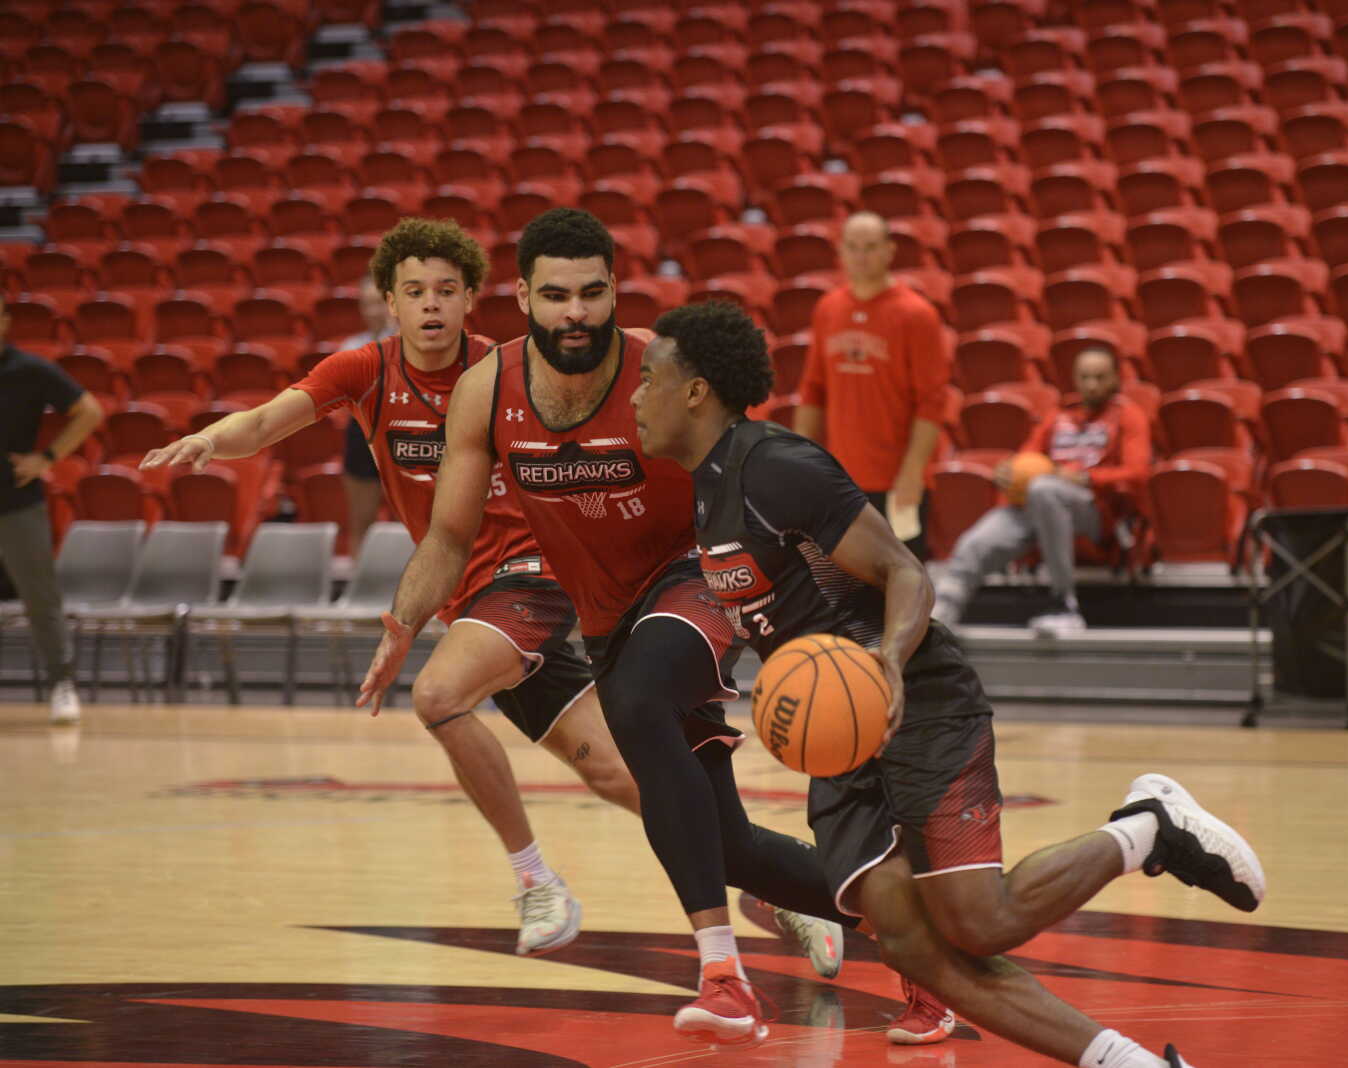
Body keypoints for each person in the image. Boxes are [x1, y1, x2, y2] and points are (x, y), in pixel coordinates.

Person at [630, 299, 1266, 1068]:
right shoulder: (703, 489)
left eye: (649, 377)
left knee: (980, 922)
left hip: (917, 699)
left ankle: (1149, 827)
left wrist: (890, 660)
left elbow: (907, 574)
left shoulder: (777, 468)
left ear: (696, 390)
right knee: (909, 941)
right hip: (841, 738)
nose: (637, 395)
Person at [359, 208, 857, 1047]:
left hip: (700, 576)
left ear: (615, 291)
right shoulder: (487, 389)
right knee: (727, 843)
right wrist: (402, 623)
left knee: (636, 699)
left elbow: (754, 467)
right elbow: (446, 537)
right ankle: (912, 936)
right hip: (605, 615)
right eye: (555, 295)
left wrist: (816, 578)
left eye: (592, 293)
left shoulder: (663, 367)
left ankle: (724, 978)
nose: (576, 312)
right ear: (523, 298)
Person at [140, 219, 636, 957]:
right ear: (389, 302)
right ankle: (770, 882)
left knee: (437, 695)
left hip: (534, 573)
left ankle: (536, 881)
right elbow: (268, 421)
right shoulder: (365, 372)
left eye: (446, 290)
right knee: (614, 773)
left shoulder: (506, 368)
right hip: (467, 599)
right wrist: (214, 437)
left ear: (471, 299)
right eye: (414, 291)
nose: (431, 304)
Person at [933, 346, 1152, 637]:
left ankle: (1064, 605)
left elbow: (1137, 472)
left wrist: (1084, 478)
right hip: (1040, 502)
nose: (1092, 385)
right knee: (978, 541)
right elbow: (1027, 457)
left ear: (1115, 378)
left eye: (1100, 377)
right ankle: (940, 618)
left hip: (1095, 509)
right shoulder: (1058, 416)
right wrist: (1008, 472)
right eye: (1085, 377)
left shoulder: (1128, 415)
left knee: (1045, 489)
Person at [793, 211, 950, 560]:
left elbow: (932, 401)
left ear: (890, 250)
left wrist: (913, 472)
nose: (861, 256)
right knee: (846, 579)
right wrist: (802, 462)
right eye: (853, 247)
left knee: (904, 579)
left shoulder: (916, 314)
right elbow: (813, 390)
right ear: (841, 251)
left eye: (870, 247)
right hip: (841, 479)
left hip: (898, 480)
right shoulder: (828, 308)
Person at [0, 292, 104, 724]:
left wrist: (46, 458)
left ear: (5, 321)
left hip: (16, 501)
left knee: (40, 597)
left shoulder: (29, 370)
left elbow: (89, 412)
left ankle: (62, 684)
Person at [336, 275, 396, 553]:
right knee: (361, 521)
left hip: (401, 433)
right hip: (361, 434)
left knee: (414, 521)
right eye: (366, 304)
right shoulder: (350, 346)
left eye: (378, 303)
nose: (372, 311)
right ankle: (357, 578)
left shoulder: (410, 342)